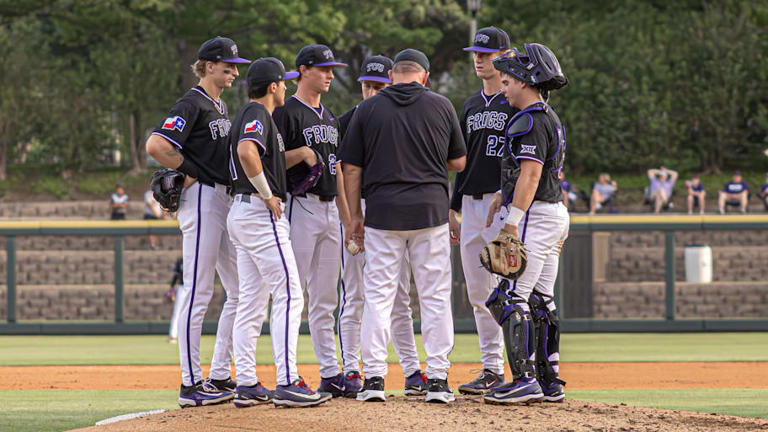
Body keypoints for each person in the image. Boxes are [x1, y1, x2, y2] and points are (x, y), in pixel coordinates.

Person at [340, 48, 467, 404]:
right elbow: (458, 160)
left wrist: (354, 217)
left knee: (378, 296)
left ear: (392, 76)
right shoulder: (441, 105)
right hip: (429, 211)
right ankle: (439, 380)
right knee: (435, 295)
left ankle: (375, 379)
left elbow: (351, 169)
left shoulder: (367, 109)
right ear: (424, 76)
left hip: (382, 211)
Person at [145, 36, 248, 407]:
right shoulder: (193, 102)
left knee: (240, 292)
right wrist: (192, 170)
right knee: (199, 290)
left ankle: (219, 375)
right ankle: (191, 383)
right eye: (228, 66)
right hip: (202, 198)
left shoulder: (218, 105)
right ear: (207, 66)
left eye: (235, 67)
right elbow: (157, 146)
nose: (235, 72)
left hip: (222, 198)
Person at [227, 57, 331, 408]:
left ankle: (246, 383)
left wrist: (299, 153)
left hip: (240, 212)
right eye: (283, 82)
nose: (286, 86)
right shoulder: (258, 113)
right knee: (290, 292)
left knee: (252, 301)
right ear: (272, 87)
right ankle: (287, 380)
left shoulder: (247, 114)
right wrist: (268, 193)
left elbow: (260, 155)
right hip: (258, 212)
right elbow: (246, 151)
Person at [336, 55, 428, 397]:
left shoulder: (400, 118)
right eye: (367, 86)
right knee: (355, 294)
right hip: (356, 209)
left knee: (400, 296)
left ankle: (412, 370)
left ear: (391, 83)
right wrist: (349, 220)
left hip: (389, 211)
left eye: (379, 86)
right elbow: (341, 175)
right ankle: (351, 370)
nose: (372, 92)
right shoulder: (349, 120)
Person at [483, 43, 569, 404]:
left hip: (536, 216)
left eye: (508, 81)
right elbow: (536, 173)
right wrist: (507, 193)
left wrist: (512, 221)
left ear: (525, 81)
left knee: (508, 296)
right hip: (554, 213)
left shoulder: (529, 119)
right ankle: (550, 382)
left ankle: (523, 379)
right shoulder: (549, 116)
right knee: (540, 299)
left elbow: (531, 176)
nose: (504, 89)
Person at [272, 44, 352, 397]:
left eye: (332, 69)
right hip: (299, 206)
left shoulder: (331, 118)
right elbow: (269, 160)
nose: (330, 75)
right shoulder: (286, 113)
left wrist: (349, 220)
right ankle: (285, 374)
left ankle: (332, 372)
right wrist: (300, 154)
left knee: (325, 299)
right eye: (324, 69)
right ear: (303, 70)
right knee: (293, 294)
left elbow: (337, 171)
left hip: (330, 209)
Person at [449, 27, 516, 395]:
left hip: (503, 205)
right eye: (475, 53)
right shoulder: (471, 105)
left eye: (486, 54)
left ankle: (521, 367)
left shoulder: (516, 101)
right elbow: (461, 163)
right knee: (478, 292)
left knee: (507, 287)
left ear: (505, 56)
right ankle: (491, 368)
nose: (479, 58)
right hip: (471, 205)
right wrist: (452, 206)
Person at [166, 257, 186, 344]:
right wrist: (171, 288)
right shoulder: (181, 260)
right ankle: (173, 335)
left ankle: (188, 336)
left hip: (193, 288)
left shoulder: (196, 258)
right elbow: (176, 275)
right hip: (182, 287)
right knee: (177, 312)